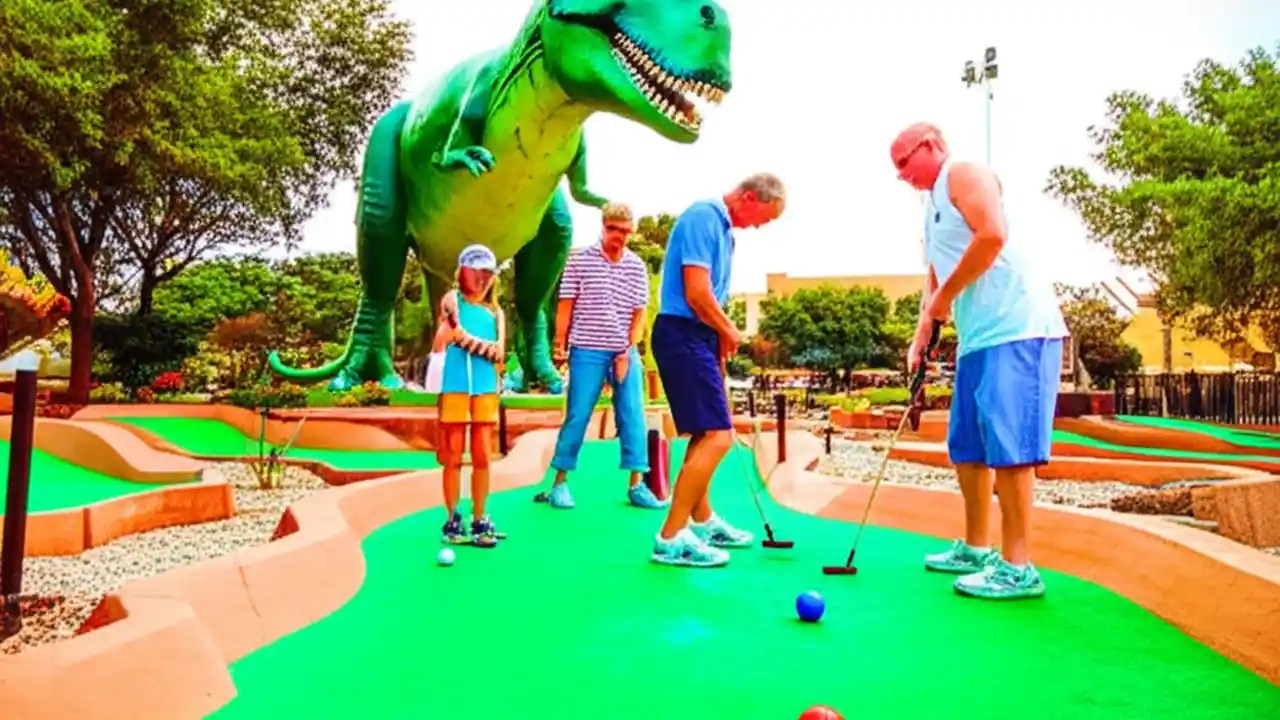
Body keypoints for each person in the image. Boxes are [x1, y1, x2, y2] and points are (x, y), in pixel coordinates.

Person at [890, 122, 1068, 599]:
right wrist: (923, 327)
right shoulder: (930, 204)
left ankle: (1018, 566)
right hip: (979, 336)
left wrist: (945, 298)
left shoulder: (963, 173)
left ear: (932, 146)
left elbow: (992, 235)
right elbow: (935, 269)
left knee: (1010, 450)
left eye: (905, 161)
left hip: (1018, 327)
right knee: (967, 446)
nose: (901, 174)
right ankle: (976, 547)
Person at [649, 173, 786, 567]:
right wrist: (729, 330)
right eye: (764, 216)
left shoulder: (726, 232)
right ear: (748, 197)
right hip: (682, 332)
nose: (761, 225)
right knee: (720, 437)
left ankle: (702, 518)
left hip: (699, 337)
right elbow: (696, 291)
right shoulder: (704, 217)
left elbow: (710, 295)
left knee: (704, 433)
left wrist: (718, 338)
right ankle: (670, 537)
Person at [537, 202, 666, 510]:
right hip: (587, 349)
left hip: (623, 349)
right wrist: (559, 344)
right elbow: (566, 305)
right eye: (613, 229)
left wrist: (625, 350)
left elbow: (639, 317)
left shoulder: (635, 266)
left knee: (633, 414)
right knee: (578, 414)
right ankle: (560, 483)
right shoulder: (580, 261)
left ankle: (637, 484)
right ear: (603, 226)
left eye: (624, 231)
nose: (618, 236)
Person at [434, 244, 508, 547]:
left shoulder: (496, 313)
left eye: (487, 273)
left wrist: (470, 341)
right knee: (452, 454)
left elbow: (499, 354)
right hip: (454, 387)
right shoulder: (453, 303)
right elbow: (441, 343)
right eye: (476, 271)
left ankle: (480, 518)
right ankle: (452, 518)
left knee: (482, 456)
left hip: (485, 389)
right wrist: (449, 327)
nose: (482, 279)